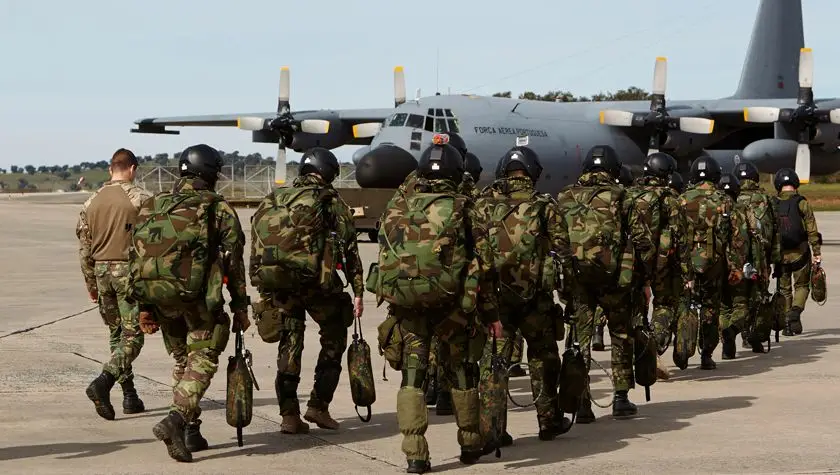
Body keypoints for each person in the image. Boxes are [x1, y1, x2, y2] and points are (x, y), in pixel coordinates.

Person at [375, 135, 502, 473]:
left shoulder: (397, 206)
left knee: (412, 380)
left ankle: (415, 455)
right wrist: (491, 314)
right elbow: (485, 266)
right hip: (453, 309)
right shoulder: (465, 207)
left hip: (408, 308)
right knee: (461, 373)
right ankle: (470, 443)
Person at [130, 144, 251, 462]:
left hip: (159, 298)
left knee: (182, 361)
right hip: (200, 300)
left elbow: (139, 256)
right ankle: (176, 420)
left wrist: (145, 306)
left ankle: (190, 433)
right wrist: (240, 307)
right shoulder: (217, 206)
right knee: (203, 359)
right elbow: (234, 261)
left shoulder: (152, 204)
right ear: (210, 172)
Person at [250, 147, 364, 434]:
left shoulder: (274, 198)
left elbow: (256, 244)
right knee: (334, 337)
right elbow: (350, 249)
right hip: (318, 286)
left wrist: (262, 286)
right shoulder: (330, 200)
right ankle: (318, 406)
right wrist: (359, 290)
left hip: (280, 284)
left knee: (289, 344)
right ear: (329, 172)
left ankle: (289, 416)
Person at [474, 140, 572, 444]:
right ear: (533, 172)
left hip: (496, 301)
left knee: (494, 363)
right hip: (536, 300)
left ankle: (494, 429)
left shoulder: (482, 204)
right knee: (544, 356)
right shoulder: (545, 205)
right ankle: (548, 420)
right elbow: (563, 252)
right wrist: (568, 294)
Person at [555, 145, 655, 423]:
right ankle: (620, 398)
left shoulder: (564, 196)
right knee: (621, 335)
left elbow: (557, 241)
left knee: (579, 340)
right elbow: (643, 240)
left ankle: (582, 403)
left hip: (578, 282)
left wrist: (564, 276)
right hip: (616, 281)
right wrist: (643, 277)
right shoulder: (621, 196)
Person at [78, 148, 151, 421]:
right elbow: (153, 242)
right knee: (133, 337)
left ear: (111, 170)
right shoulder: (142, 199)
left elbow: (84, 248)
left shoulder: (91, 201)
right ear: (132, 169)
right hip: (128, 273)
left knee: (116, 334)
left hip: (101, 272)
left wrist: (91, 282)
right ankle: (104, 381)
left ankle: (130, 395)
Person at [678, 156, 746, 369]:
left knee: (683, 303)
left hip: (685, 262)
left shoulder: (681, 199)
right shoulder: (725, 200)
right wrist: (735, 266)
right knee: (710, 308)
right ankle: (706, 355)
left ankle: (682, 347)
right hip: (714, 264)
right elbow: (738, 238)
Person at [626, 152, 686, 378]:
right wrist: (687, 272)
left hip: (633, 264)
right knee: (665, 305)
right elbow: (680, 238)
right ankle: (653, 346)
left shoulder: (630, 195)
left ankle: (639, 352)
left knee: (637, 309)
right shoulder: (670, 200)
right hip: (663, 265)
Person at [733, 162, 780, 351]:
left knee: (737, 298)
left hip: (736, 257)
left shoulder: (732, 198)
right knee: (758, 297)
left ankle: (732, 335)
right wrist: (776, 260)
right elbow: (776, 231)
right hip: (761, 259)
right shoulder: (766, 199)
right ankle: (752, 336)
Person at [772, 168, 821, 335]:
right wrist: (817, 252)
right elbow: (812, 230)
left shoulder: (772, 203)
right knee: (802, 286)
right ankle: (795, 312)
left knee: (784, 289)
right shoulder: (802, 203)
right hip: (800, 253)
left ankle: (787, 324)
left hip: (780, 254)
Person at [716, 173, 750, 359]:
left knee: (724, 308)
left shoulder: (714, 209)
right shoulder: (739, 211)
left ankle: (726, 348)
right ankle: (732, 330)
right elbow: (741, 242)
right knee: (741, 305)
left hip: (716, 268)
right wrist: (740, 267)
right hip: (736, 267)